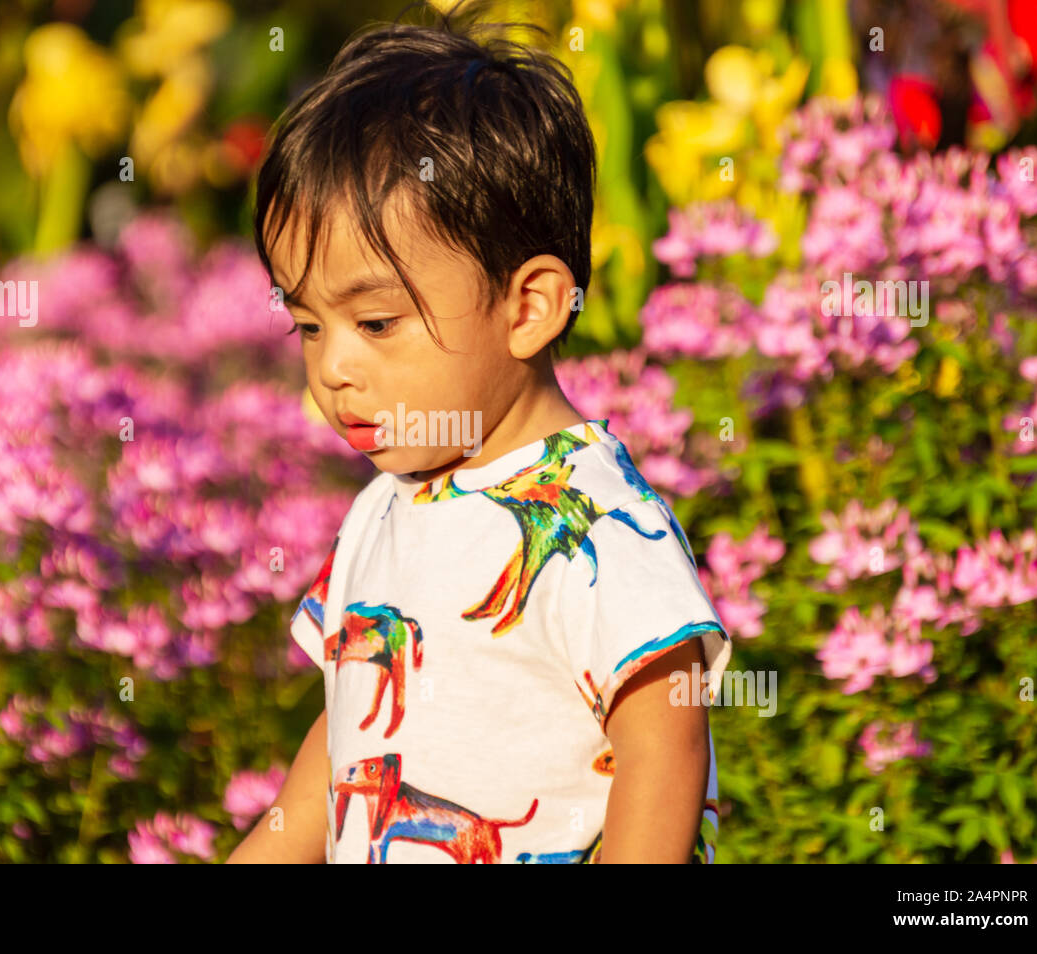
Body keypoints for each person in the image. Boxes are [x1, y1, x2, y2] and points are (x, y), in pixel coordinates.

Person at [226, 0, 732, 864]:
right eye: (308, 327)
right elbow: (345, 740)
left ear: (528, 306)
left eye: (377, 324)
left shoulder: (594, 518)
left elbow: (665, 732)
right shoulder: (383, 510)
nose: (333, 368)